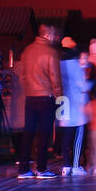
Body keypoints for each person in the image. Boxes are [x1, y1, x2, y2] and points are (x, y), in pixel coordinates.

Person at [17, 25, 63, 178]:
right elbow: (55, 78)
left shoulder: (27, 51)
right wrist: (59, 97)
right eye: (54, 34)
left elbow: (22, 76)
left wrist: (29, 89)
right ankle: (41, 168)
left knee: (28, 133)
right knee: (44, 135)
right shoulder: (51, 52)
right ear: (48, 35)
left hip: (30, 97)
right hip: (46, 97)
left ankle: (23, 169)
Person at [57, 37, 93, 176]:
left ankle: (66, 166)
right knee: (78, 136)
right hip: (76, 104)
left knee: (65, 136)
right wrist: (92, 82)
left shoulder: (57, 63)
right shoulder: (74, 64)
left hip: (61, 101)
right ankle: (76, 166)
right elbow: (82, 86)